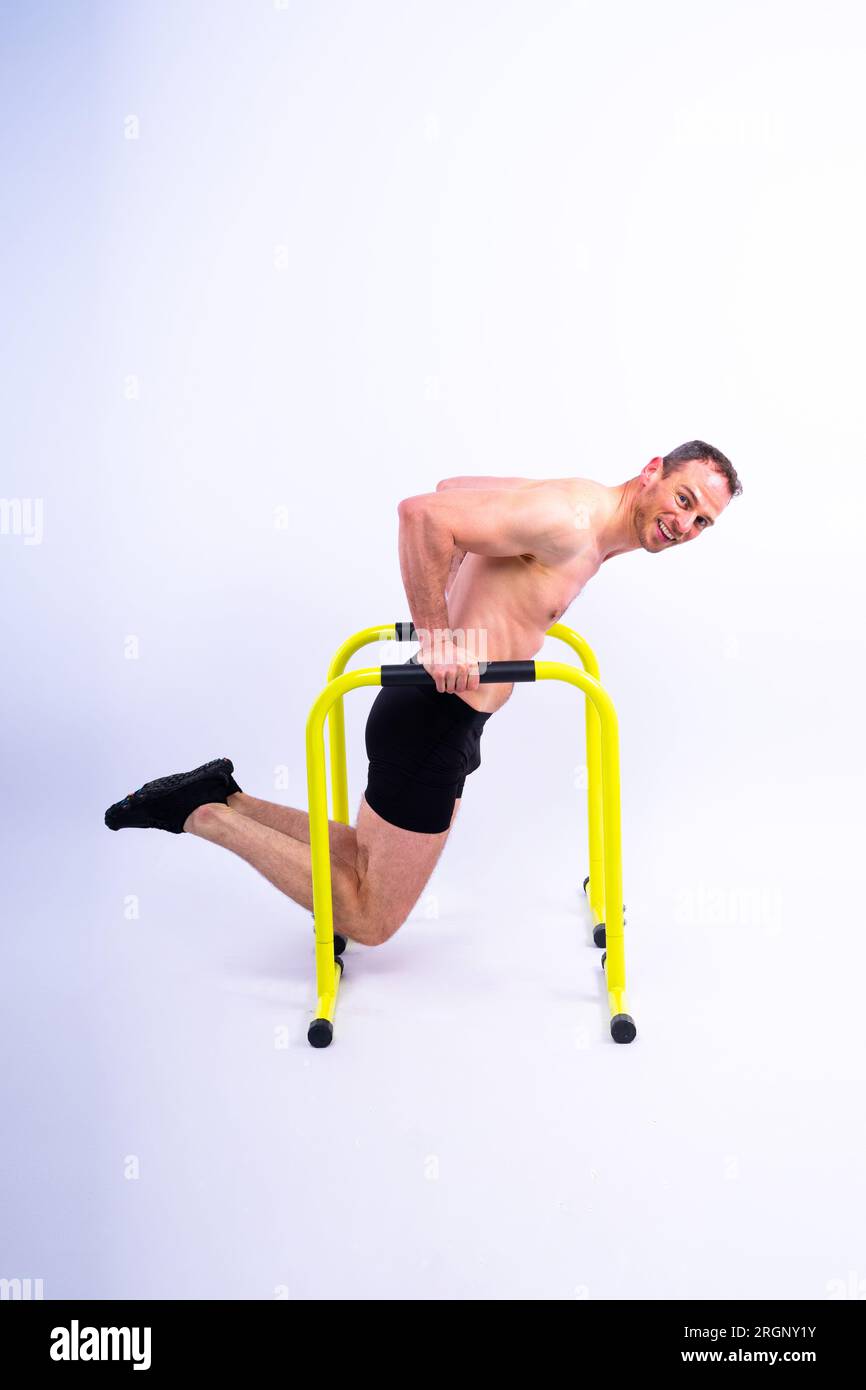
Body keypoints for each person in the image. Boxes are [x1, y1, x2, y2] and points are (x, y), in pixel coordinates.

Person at [105, 440, 741, 947]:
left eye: (702, 521)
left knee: (362, 855)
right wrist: (439, 637)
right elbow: (424, 512)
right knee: (369, 917)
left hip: (447, 722)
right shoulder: (572, 518)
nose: (684, 523)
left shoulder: (579, 511)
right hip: (435, 719)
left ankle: (223, 793)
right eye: (683, 498)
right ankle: (205, 818)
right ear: (653, 470)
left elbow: (455, 491)